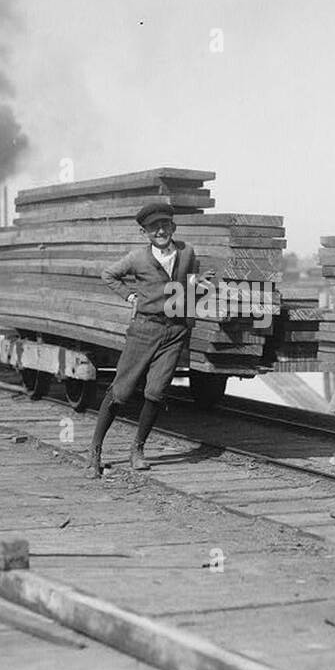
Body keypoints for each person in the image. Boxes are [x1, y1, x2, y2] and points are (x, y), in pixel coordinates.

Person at [87, 202, 216, 476]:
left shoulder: (187, 252)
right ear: (144, 231)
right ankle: (95, 451)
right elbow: (108, 274)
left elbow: (187, 283)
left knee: (156, 392)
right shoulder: (137, 258)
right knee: (120, 393)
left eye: (165, 225)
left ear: (173, 227)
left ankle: (137, 449)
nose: (160, 231)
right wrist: (131, 296)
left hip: (175, 332)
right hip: (144, 330)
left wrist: (199, 283)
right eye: (153, 227)